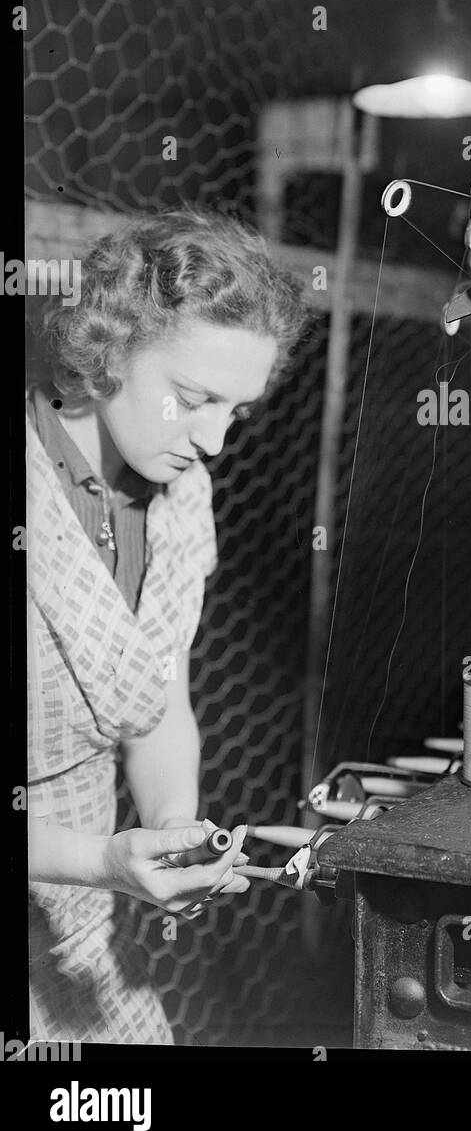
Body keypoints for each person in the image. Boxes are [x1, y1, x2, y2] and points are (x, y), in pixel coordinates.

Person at [26, 208, 311, 1043]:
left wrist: (173, 834)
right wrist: (106, 863)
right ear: (110, 347)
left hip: (84, 918)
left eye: (238, 411)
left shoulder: (182, 501)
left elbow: (160, 700)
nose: (216, 441)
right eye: (193, 400)